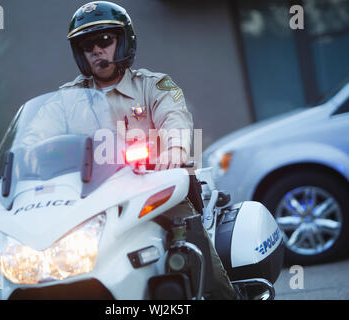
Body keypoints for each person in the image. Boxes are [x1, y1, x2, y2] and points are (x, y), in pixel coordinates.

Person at [63, 1, 237, 299]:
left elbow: (178, 126)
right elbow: (38, 139)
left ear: (124, 41)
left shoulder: (155, 87)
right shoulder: (67, 99)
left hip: (155, 196)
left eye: (105, 40)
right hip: (91, 203)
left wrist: (174, 151)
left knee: (193, 250)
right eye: (87, 44)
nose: (96, 50)